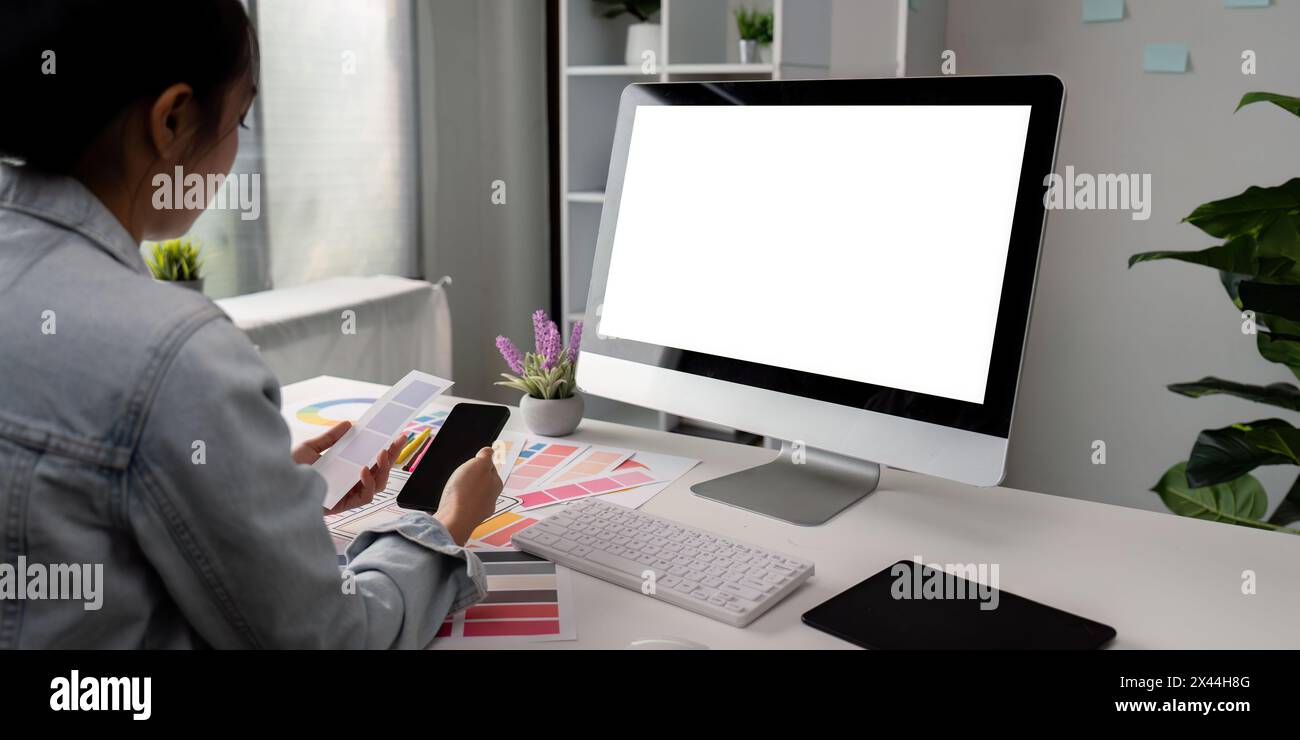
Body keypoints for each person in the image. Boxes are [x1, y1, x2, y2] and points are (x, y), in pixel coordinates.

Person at [0, 0, 502, 648]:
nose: (236, 146)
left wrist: (257, 493)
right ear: (173, 118)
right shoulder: (172, 356)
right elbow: (331, 637)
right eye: (238, 118)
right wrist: (445, 526)